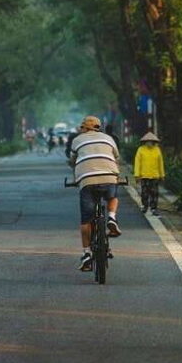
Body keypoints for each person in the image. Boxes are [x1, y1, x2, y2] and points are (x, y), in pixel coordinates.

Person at [68, 115, 122, 271]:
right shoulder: (108, 138)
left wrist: (77, 173)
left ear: (85, 128)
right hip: (109, 176)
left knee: (86, 220)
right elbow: (116, 158)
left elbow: (73, 161)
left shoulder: (77, 140)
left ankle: (86, 253)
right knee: (112, 197)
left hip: (86, 180)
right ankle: (112, 217)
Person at [133, 132, 165, 215]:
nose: (149, 143)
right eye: (147, 141)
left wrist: (162, 175)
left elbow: (160, 163)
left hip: (155, 175)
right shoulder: (141, 150)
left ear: (153, 142)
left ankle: (154, 208)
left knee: (155, 193)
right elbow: (137, 163)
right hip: (144, 176)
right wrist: (137, 175)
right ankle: (145, 206)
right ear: (145, 142)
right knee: (144, 193)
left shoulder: (157, 150)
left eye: (151, 141)